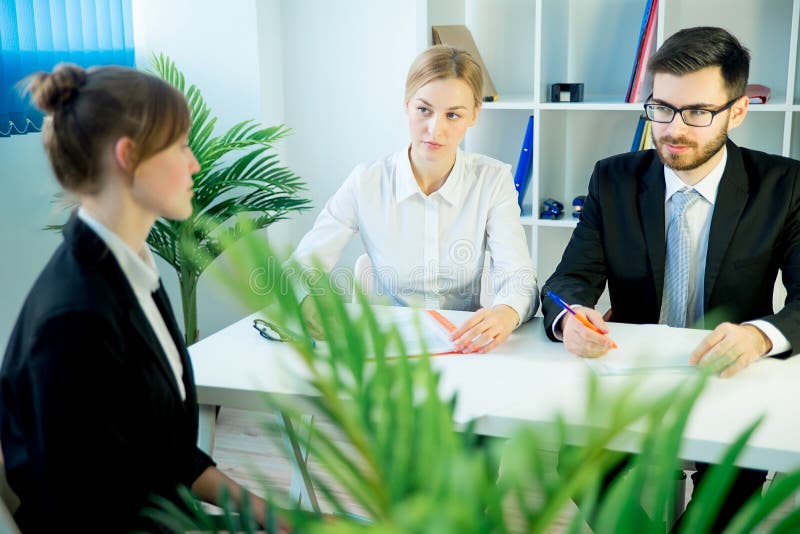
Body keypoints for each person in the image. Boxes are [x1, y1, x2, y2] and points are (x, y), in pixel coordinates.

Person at [542, 27, 800, 531]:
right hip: (633, 374)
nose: (674, 129)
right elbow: (566, 280)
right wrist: (570, 317)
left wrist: (758, 334)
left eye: (698, 112)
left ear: (738, 110)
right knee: (575, 464)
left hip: (733, 374)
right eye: (661, 108)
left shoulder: (784, 186)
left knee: (720, 507)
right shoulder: (613, 178)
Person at [0, 64, 271, 532]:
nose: (195, 165)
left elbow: (165, 450)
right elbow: (87, 513)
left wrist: (268, 512)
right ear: (129, 156)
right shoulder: (71, 322)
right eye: (182, 146)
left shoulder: (131, 268)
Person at [292, 45, 538, 353]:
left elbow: (520, 279)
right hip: (385, 351)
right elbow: (302, 267)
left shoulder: (492, 180)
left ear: (474, 115)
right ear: (407, 105)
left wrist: (505, 313)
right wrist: (316, 310)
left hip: (462, 349)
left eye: (452, 115)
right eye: (424, 110)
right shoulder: (366, 182)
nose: (435, 129)